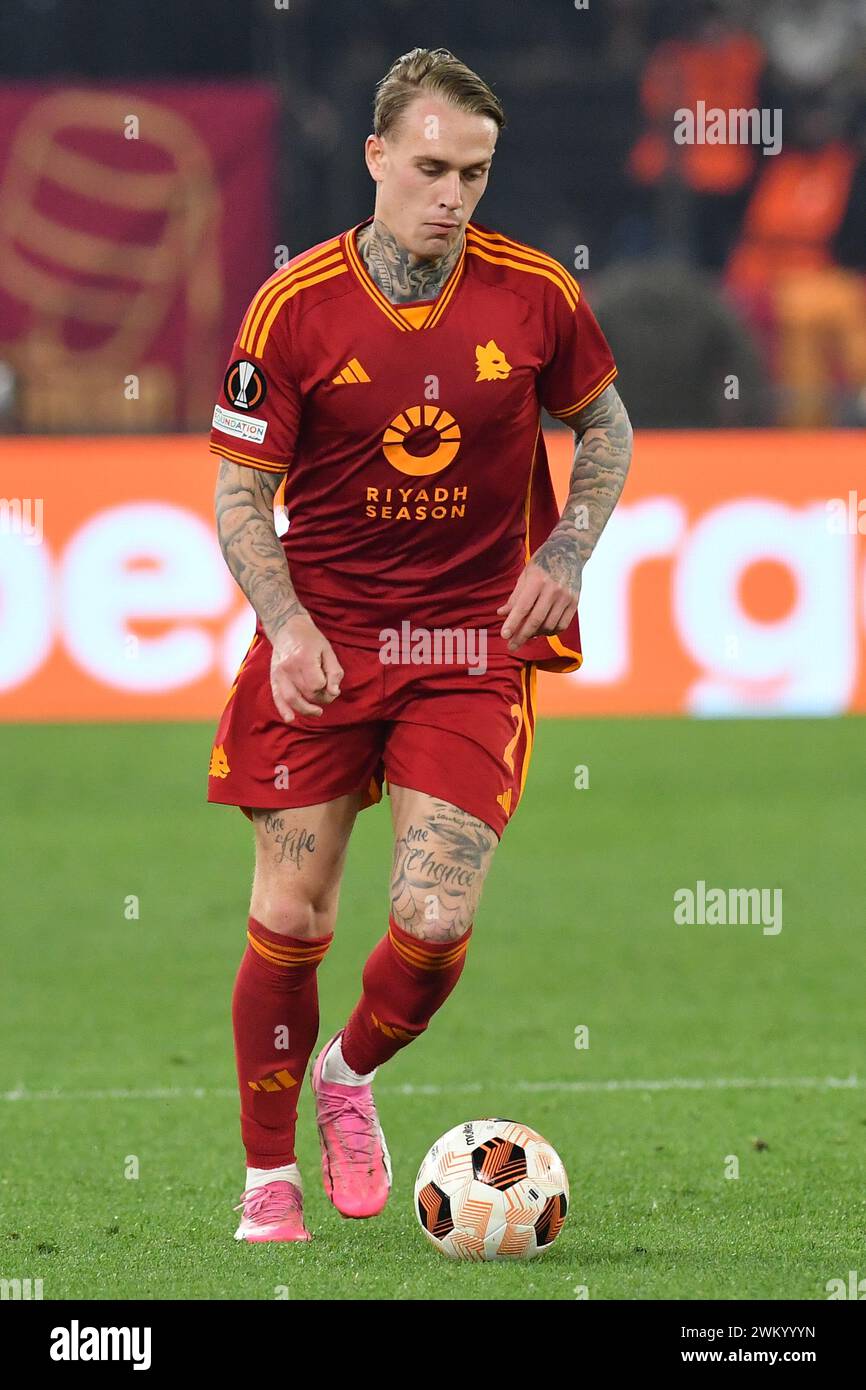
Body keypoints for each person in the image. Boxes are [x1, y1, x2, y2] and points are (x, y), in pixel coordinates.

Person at [208, 47, 632, 1243]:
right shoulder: (294, 309)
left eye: (476, 174)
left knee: (435, 920)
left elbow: (603, 426)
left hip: (467, 644)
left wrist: (568, 552)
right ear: (376, 158)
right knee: (291, 915)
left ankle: (347, 1074)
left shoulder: (532, 292)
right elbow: (240, 494)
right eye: (433, 169)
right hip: (328, 644)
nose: (452, 196)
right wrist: (283, 625)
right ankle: (265, 1180)